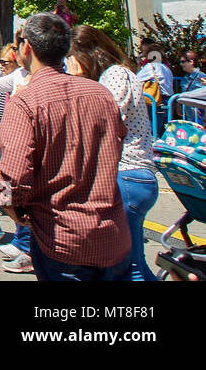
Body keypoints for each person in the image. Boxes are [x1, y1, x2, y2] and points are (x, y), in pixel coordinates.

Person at [0, 12, 130, 282]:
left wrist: (14, 210)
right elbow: (116, 145)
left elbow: (13, 175)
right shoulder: (100, 93)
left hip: (61, 239)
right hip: (111, 234)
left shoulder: (25, 102)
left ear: (26, 47)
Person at [66, 25, 157, 281]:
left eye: (71, 57)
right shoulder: (104, 78)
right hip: (124, 176)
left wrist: (76, 82)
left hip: (127, 173)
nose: (68, 64)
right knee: (131, 265)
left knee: (122, 269)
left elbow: (104, 119)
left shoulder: (117, 74)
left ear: (89, 52)